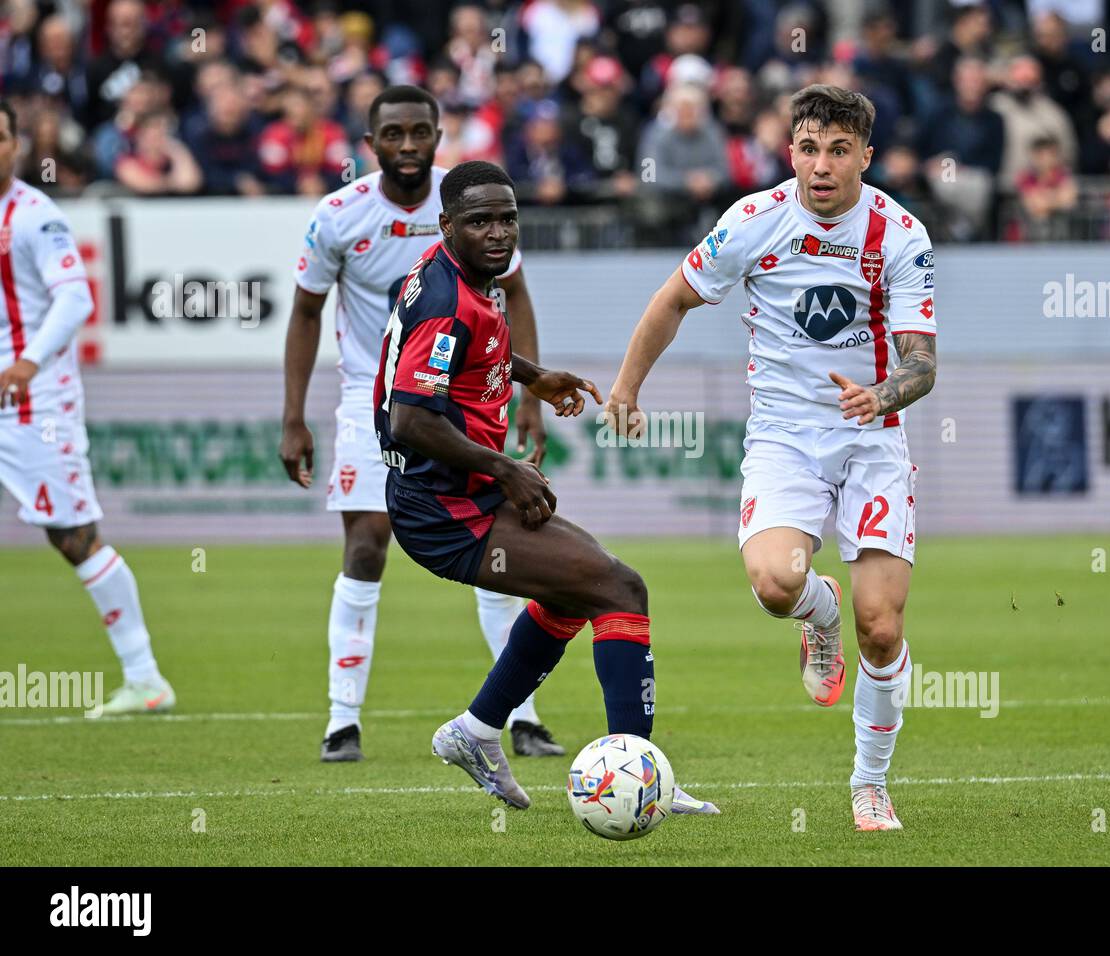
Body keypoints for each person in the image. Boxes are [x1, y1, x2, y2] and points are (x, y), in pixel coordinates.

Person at [605, 85, 938, 832]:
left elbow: (922, 365)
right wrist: (627, 386)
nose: (822, 166)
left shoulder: (901, 234)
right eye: (809, 149)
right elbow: (672, 300)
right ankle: (817, 619)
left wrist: (882, 397)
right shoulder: (753, 222)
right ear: (791, 151)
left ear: (865, 157)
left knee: (881, 625)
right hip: (785, 436)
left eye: (839, 151)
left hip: (872, 438)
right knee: (774, 583)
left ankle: (870, 784)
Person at [375, 160, 716, 815]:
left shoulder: (458, 276)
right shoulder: (445, 299)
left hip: (461, 493)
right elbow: (410, 417)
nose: (498, 233)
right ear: (448, 225)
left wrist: (530, 376)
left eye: (507, 219)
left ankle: (474, 732)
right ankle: (638, 781)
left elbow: (474, 353)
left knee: (577, 592)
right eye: (480, 222)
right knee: (620, 587)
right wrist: (506, 467)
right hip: (442, 509)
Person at [279, 86, 562, 762]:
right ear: (370, 142)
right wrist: (292, 416)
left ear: (439, 134)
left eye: (420, 132)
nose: (408, 145)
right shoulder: (338, 216)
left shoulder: (469, 200)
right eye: (393, 134)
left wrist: (528, 391)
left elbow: (514, 292)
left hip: (465, 399)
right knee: (368, 543)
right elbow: (307, 312)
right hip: (370, 397)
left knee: (501, 547)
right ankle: (342, 720)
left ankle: (520, 715)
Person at [0, 99, 174, 715]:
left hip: (31, 399)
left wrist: (26, 362)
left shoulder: (34, 216)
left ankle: (145, 677)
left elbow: (73, 298)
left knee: (73, 536)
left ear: (15, 144)